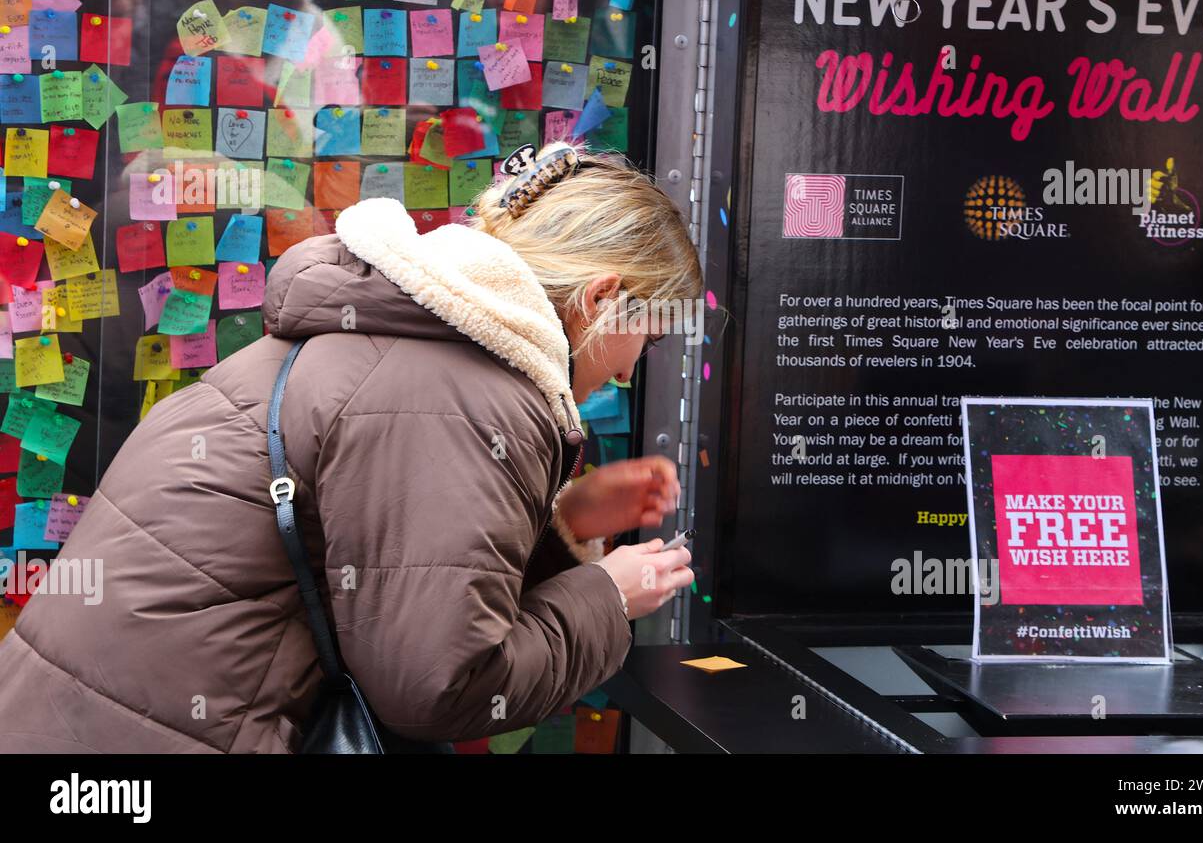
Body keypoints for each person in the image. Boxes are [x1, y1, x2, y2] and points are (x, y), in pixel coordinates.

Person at [0, 143, 699, 752]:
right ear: (603, 297)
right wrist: (606, 596)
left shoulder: (406, 346)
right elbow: (438, 687)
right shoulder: (463, 389)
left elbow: (388, 568)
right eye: (651, 333)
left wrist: (565, 527)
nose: (634, 369)